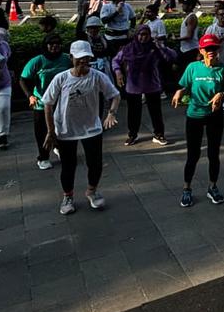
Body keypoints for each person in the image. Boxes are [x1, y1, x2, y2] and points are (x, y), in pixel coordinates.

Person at [43, 41, 121, 215]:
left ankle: (92, 191)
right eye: (79, 58)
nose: (83, 61)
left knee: (95, 163)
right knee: (68, 165)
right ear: (71, 58)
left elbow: (115, 95)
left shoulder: (97, 76)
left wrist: (111, 113)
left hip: (91, 127)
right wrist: (50, 131)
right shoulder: (61, 78)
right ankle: (68, 196)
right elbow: (48, 104)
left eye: (87, 57)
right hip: (66, 129)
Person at [173, 33, 224, 207]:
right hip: (194, 115)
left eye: (214, 48)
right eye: (207, 49)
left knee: (213, 154)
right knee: (193, 155)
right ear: (201, 50)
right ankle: (186, 189)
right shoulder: (193, 67)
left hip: (215, 116)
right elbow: (185, 85)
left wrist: (221, 94)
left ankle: (212, 187)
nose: (211, 51)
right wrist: (180, 91)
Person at [113, 24, 174, 146]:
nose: (143, 37)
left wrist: (161, 47)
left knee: (155, 112)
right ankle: (132, 134)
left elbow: (172, 56)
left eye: (146, 35)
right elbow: (116, 60)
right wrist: (118, 72)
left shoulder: (154, 48)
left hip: (152, 84)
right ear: (136, 35)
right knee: (133, 112)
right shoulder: (128, 48)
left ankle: (159, 134)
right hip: (133, 85)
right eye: (141, 34)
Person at [20, 35, 72, 170]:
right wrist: (30, 96)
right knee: (42, 131)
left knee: (63, 128)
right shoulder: (37, 61)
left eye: (57, 43)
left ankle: (59, 148)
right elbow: (23, 79)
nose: (54, 46)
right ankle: (43, 157)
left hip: (62, 101)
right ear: (46, 45)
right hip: (42, 102)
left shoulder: (67, 59)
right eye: (51, 43)